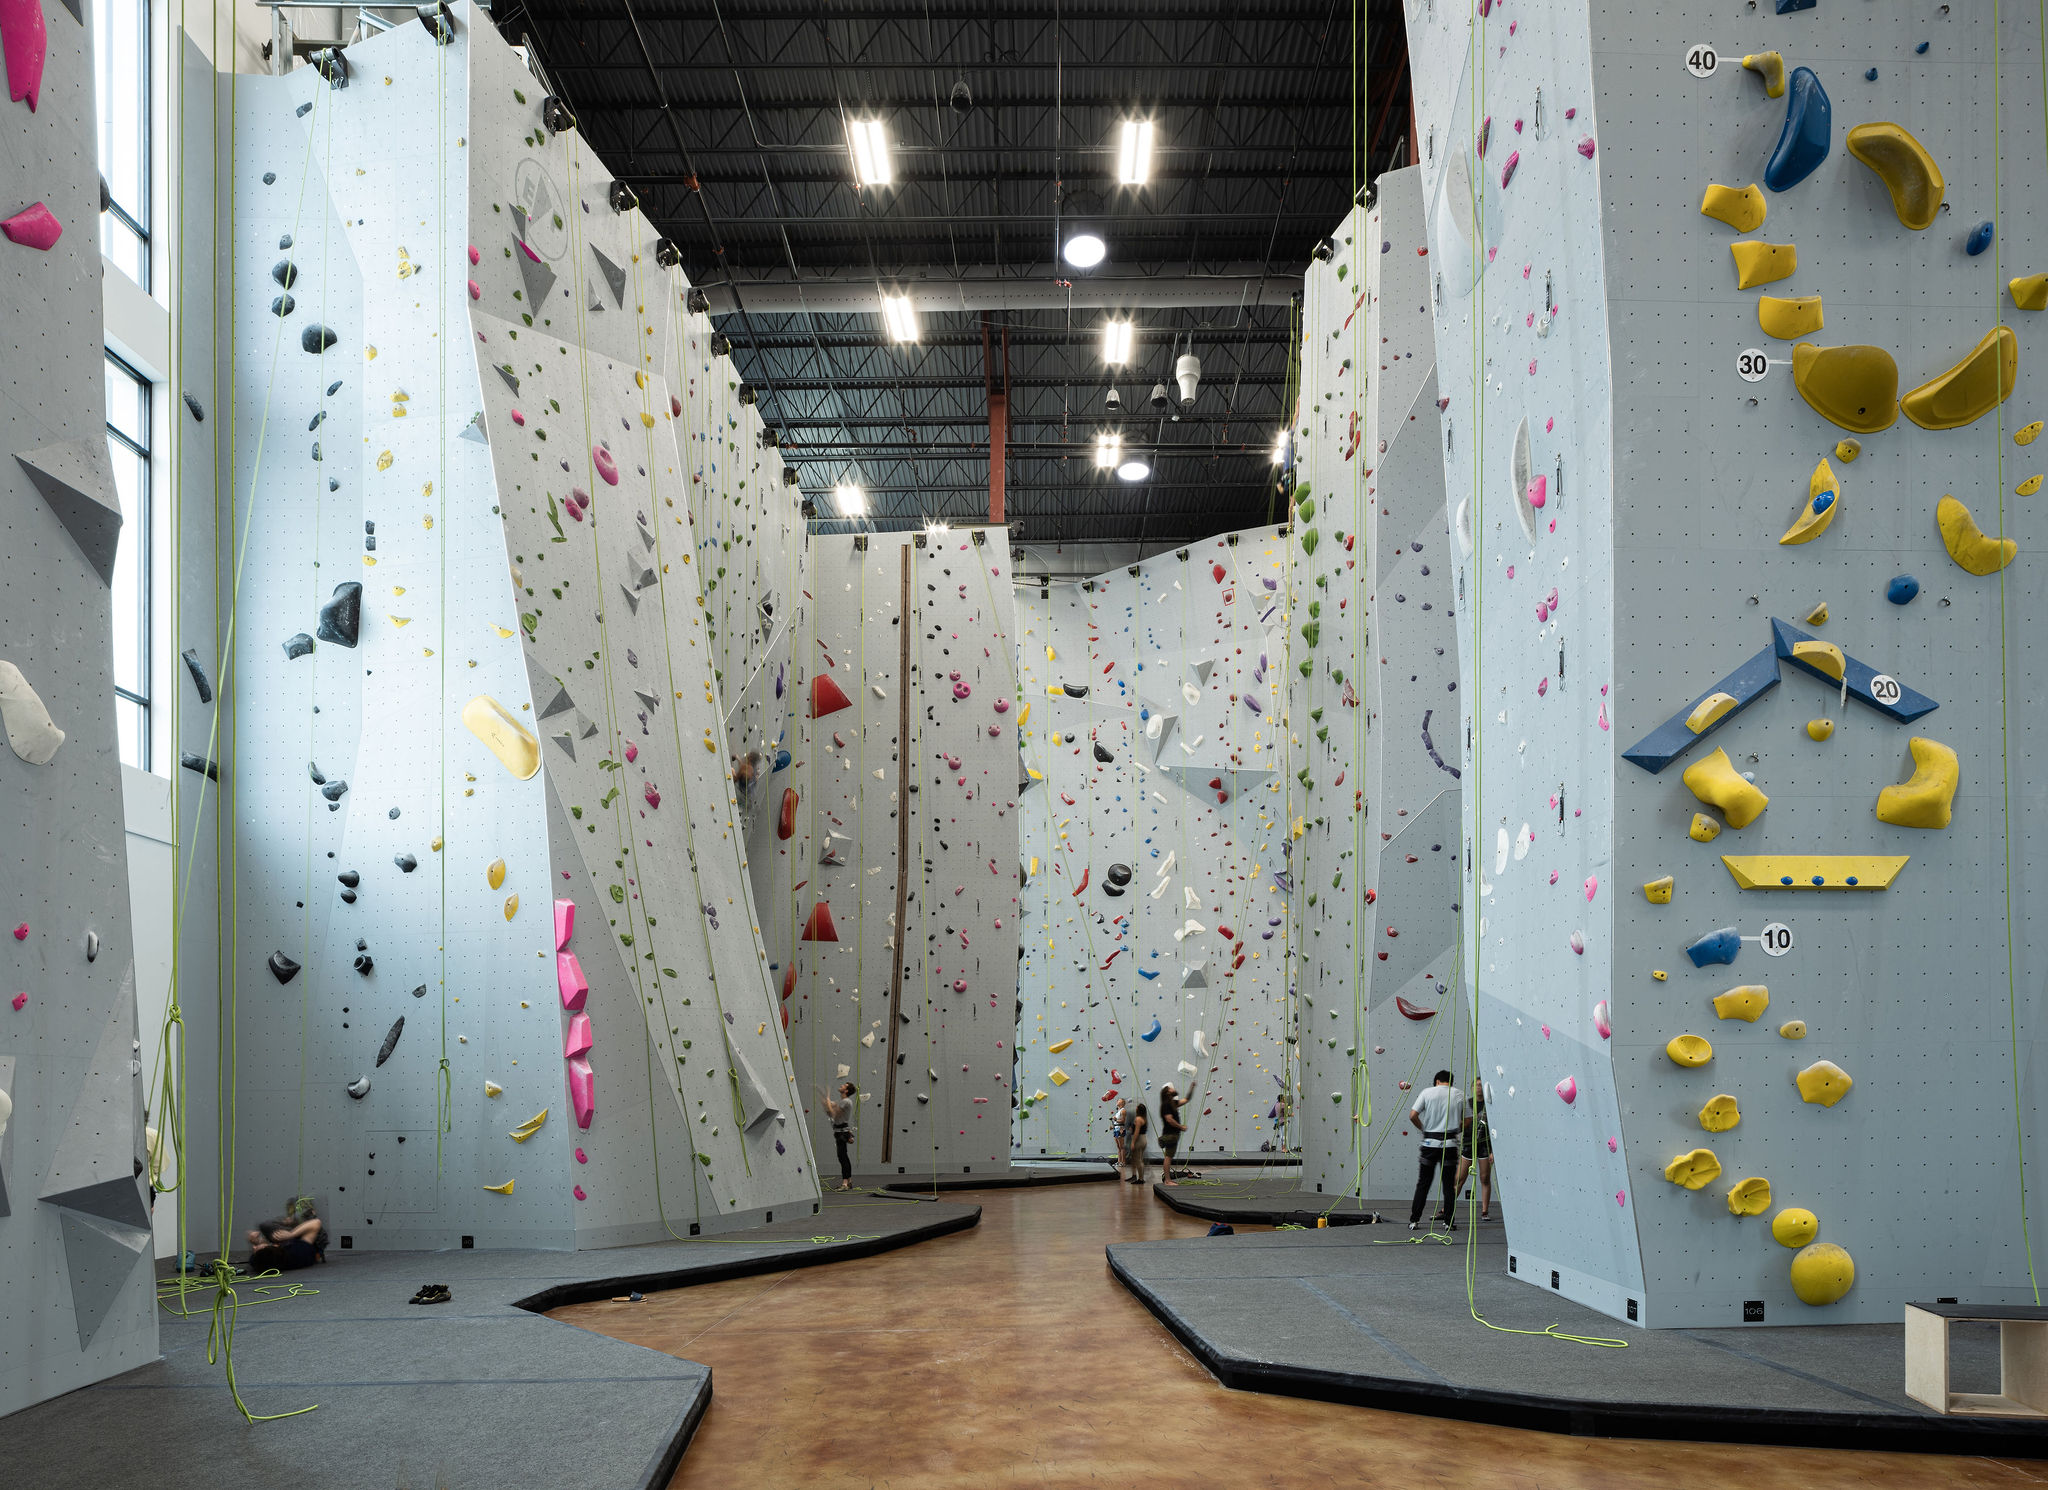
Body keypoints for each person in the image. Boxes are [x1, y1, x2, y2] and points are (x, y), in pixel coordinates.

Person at [1407, 1070, 1466, 1231]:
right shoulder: (1459, 1094)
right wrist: (1456, 1130)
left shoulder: (1427, 1092)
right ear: (1450, 1082)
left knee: (1423, 1184)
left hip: (1429, 1144)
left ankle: (1414, 1220)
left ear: (1437, 1081)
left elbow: (1413, 1115)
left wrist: (1424, 1129)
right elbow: (1468, 1119)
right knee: (1449, 1186)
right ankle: (1448, 1222)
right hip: (1450, 1144)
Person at [246, 1196, 326, 1272]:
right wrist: (291, 1234)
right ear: (273, 1247)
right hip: (313, 1243)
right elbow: (316, 1223)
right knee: (311, 1219)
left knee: (264, 1226)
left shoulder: (257, 1262)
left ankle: (290, 1222)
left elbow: (261, 1255)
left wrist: (256, 1242)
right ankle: (301, 1220)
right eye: (256, 1248)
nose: (253, 1247)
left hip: (285, 1244)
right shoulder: (299, 1252)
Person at [1455, 1083, 1495, 1220]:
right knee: (1459, 1178)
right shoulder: (1468, 1104)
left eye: (1481, 1085)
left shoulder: (1489, 1104)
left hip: (1484, 1145)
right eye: (1476, 1085)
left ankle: (1485, 1211)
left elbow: (1494, 1128)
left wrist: (1492, 1151)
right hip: (1468, 1143)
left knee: (1485, 1178)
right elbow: (1460, 1124)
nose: (1479, 1088)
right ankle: (1447, 1208)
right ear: (1472, 1088)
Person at [817, 1082, 857, 1191]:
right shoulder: (842, 1102)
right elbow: (830, 1109)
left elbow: (833, 1113)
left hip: (842, 1133)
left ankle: (845, 1184)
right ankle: (848, 1181)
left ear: (847, 1090)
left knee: (842, 1157)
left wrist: (828, 1098)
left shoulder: (846, 1101)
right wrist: (825, 1100)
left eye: (844, 1085)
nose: (842, 1085)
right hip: (840, 1132)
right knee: (844, 1157)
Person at [1157, 1083, 1189, 1186]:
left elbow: (1186, 1100)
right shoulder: (1166, 1104)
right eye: (1171, 1088)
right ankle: (1167, 1180)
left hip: (1173, 1134)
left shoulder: (1172, 1103)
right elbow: (1169, 1119)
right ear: (1167, 1092)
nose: (1173, 1089)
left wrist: (1192, 1087)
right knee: (1168, 1157)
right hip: (1170, 1133)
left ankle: (1168, 1179)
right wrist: (1181, 1127)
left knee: (1169, 1156)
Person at [1125, 1102, 1151, 1185]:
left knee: (1138, 1160)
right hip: (1143, 1139)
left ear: (1138, 1110)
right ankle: (1135, 1176)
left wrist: (1132, 1142)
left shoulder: (1138, 1119)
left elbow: (1136, 1132)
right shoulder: (1143, 1118)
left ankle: (1141, 1179)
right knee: (1136, 1159)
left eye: (1136, 1107)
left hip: (1139, 1140)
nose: (1135, 1108)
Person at [1109, 1095, 1130, 1179]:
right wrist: (1113, 1125)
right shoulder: (1118, 1111)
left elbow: (1123, 1121)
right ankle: (1119, 1161)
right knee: (1118, 1147)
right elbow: (1116, 1121)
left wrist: (1115, 1120)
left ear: (1122, 1102)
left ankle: (1123, 1162)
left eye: (1119, 1100)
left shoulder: (1123, 1111)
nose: (1117, 1101)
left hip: (1120, 1129)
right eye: (1117, 1100)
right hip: (1116, 1128)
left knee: (1122, 1146)